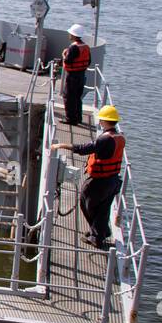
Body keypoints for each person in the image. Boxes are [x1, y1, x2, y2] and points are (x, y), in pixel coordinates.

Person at [51, 104, 125, 249]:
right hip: (113, 181)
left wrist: (61, 146)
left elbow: (84, 149)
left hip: (100, 181)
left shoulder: (105, 139)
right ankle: (101, 232)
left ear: (103, 121)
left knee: (86, 202)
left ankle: (97, 236)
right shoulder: (120, 137)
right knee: (103, 208)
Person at [60, 24, 91, 126]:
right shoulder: (85, 46)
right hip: (81, 75)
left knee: (68, 96)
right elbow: (89, 61)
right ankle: (78, 118)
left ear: (73, 35)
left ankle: (71, 119)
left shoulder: (73, 47)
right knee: (77, 97)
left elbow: (68, 61)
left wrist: (64, 54)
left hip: (73, 76)